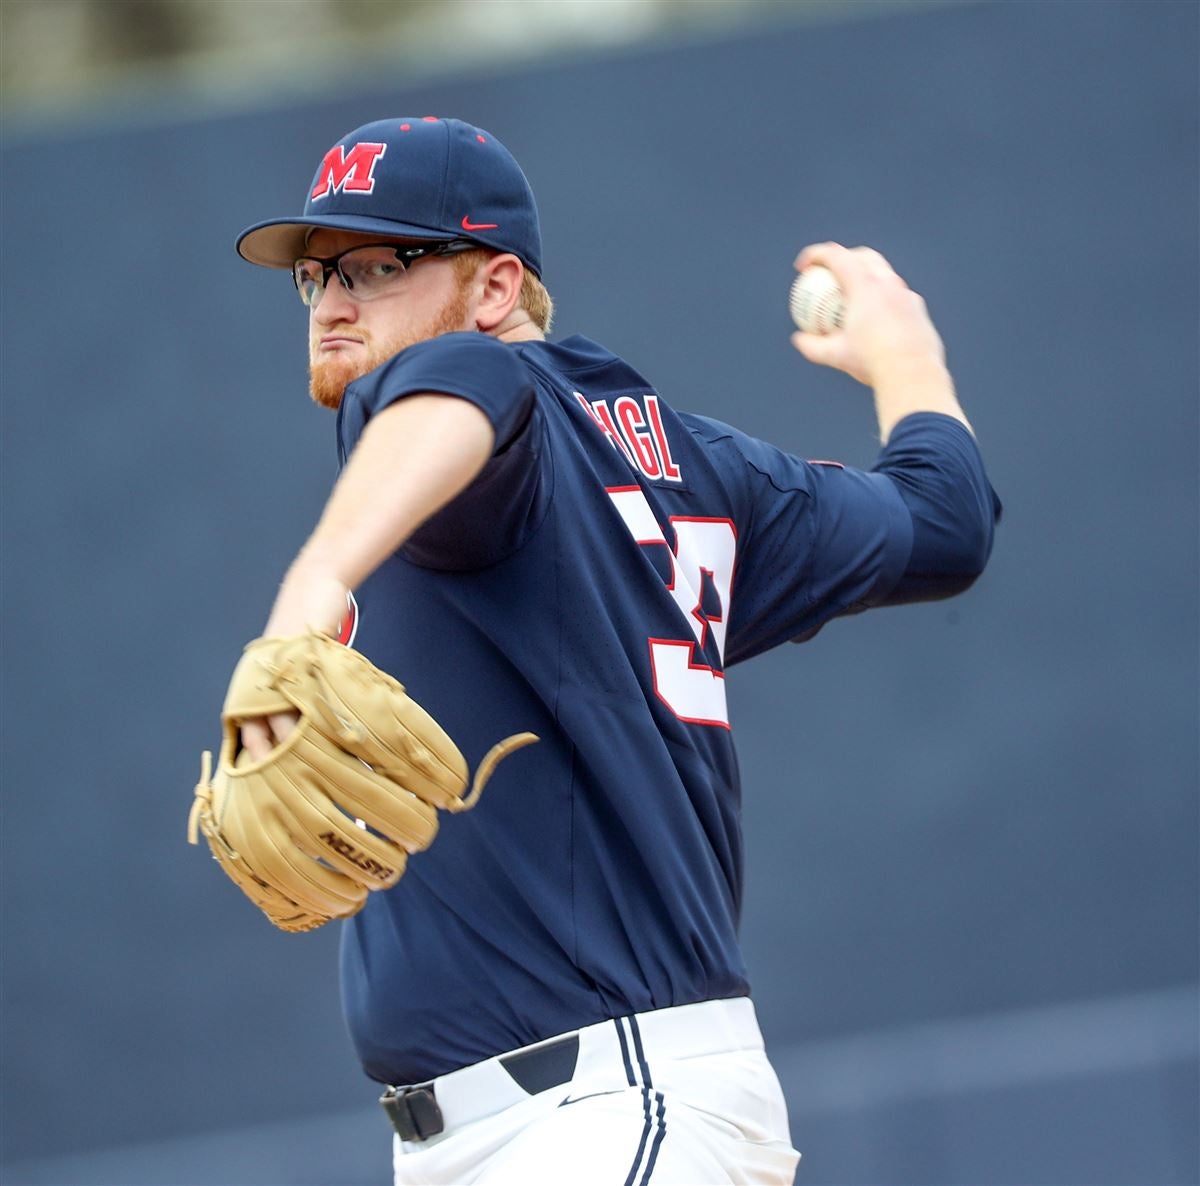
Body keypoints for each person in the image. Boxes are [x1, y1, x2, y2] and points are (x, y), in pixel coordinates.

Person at [230, 116, 1000, 1185]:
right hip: (539, 1126)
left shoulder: (464, 398)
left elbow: (468, 394)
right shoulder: (702, 469)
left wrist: (308, 592)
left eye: (376, 263)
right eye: (315, 277)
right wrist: (911, 366)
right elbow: (943, 521)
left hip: (604, 1111)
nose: (334, 302)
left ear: (496, 289)